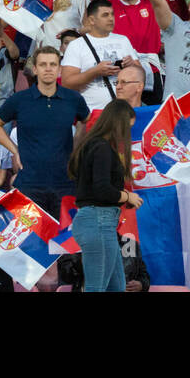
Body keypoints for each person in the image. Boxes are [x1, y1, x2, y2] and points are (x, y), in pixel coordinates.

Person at [0, 46, 90, 219]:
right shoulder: (19, 99)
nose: (48, 68)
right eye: (43, 64)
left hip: (65, 182)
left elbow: (87, 121)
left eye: (53, 64)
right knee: (30, 242)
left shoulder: (73, 99)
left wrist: (76, 147)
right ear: (35, 69)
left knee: (64, 241)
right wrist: (14, 150)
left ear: (60, 69)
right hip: (30, 181)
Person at [68, 99, 142, 292]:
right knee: (96, 287)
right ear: (118, 122)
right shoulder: (101, 148)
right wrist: (127, 197)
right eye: (127, 126)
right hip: (98, 221)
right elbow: (102, 189)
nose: (127, 133)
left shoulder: (93, 145)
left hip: (101, 222)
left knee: (116, 287)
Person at [60, 0, 143, 110]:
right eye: (105, 15)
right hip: (95, 113)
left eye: (112, 14)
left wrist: (132, 65)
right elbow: (67, 83)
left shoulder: (123, 40)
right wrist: (95, 72)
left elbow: (141, 75)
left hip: (125, 112)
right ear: (92, 20)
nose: (111, 18)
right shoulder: (76, 45)